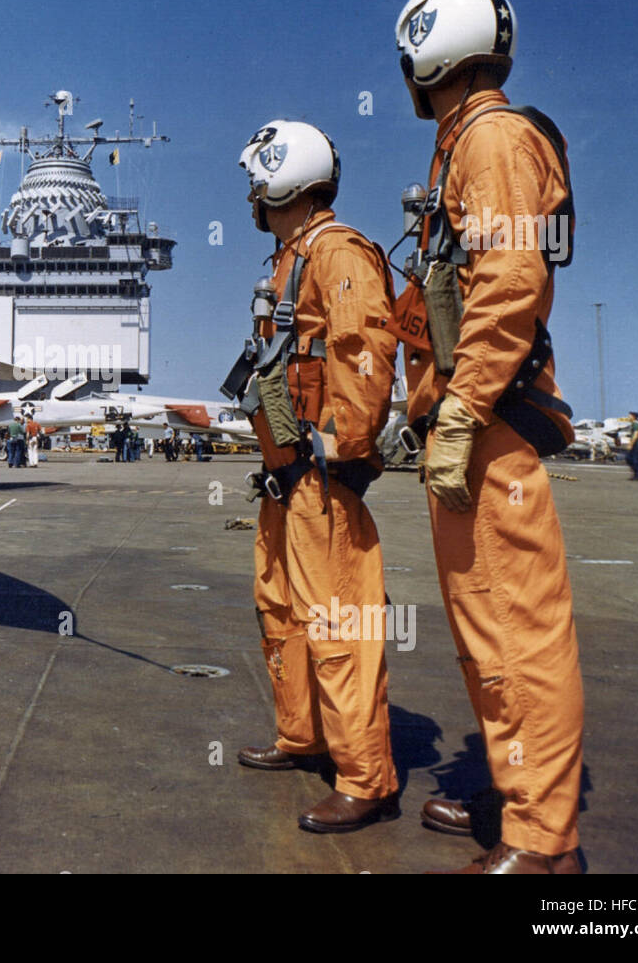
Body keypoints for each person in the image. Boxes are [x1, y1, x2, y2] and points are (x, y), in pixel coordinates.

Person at [393, 0, 584, 873]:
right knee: (485, 630)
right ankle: (516, 788)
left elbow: (510, 279)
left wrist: (463, 407)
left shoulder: (494, 141)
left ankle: (544, 843)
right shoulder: (461, 146)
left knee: (517, 631)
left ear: (428, 53)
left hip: (489, 420)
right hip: (464, 419)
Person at [230, 118, 400, 833]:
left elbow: (363, 347)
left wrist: (346, 447)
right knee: (280, 609)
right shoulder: (289, 259)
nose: (251, 197)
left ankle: (365, 776)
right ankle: (302, 733)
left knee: (336, 621)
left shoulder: (338, 252)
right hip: (284, 475)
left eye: (257, 181)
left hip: (319, 477)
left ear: (284, 179)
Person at [625, 411, 638, 480]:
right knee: (630, 459)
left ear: (633, 417)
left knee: (636, 460)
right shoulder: (633, 424)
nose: (628, 417)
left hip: (636, 445)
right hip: (635, 444)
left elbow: (636, 435)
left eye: (629, 416)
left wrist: (631, 444)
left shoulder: (636, 424)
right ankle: (636, 475)